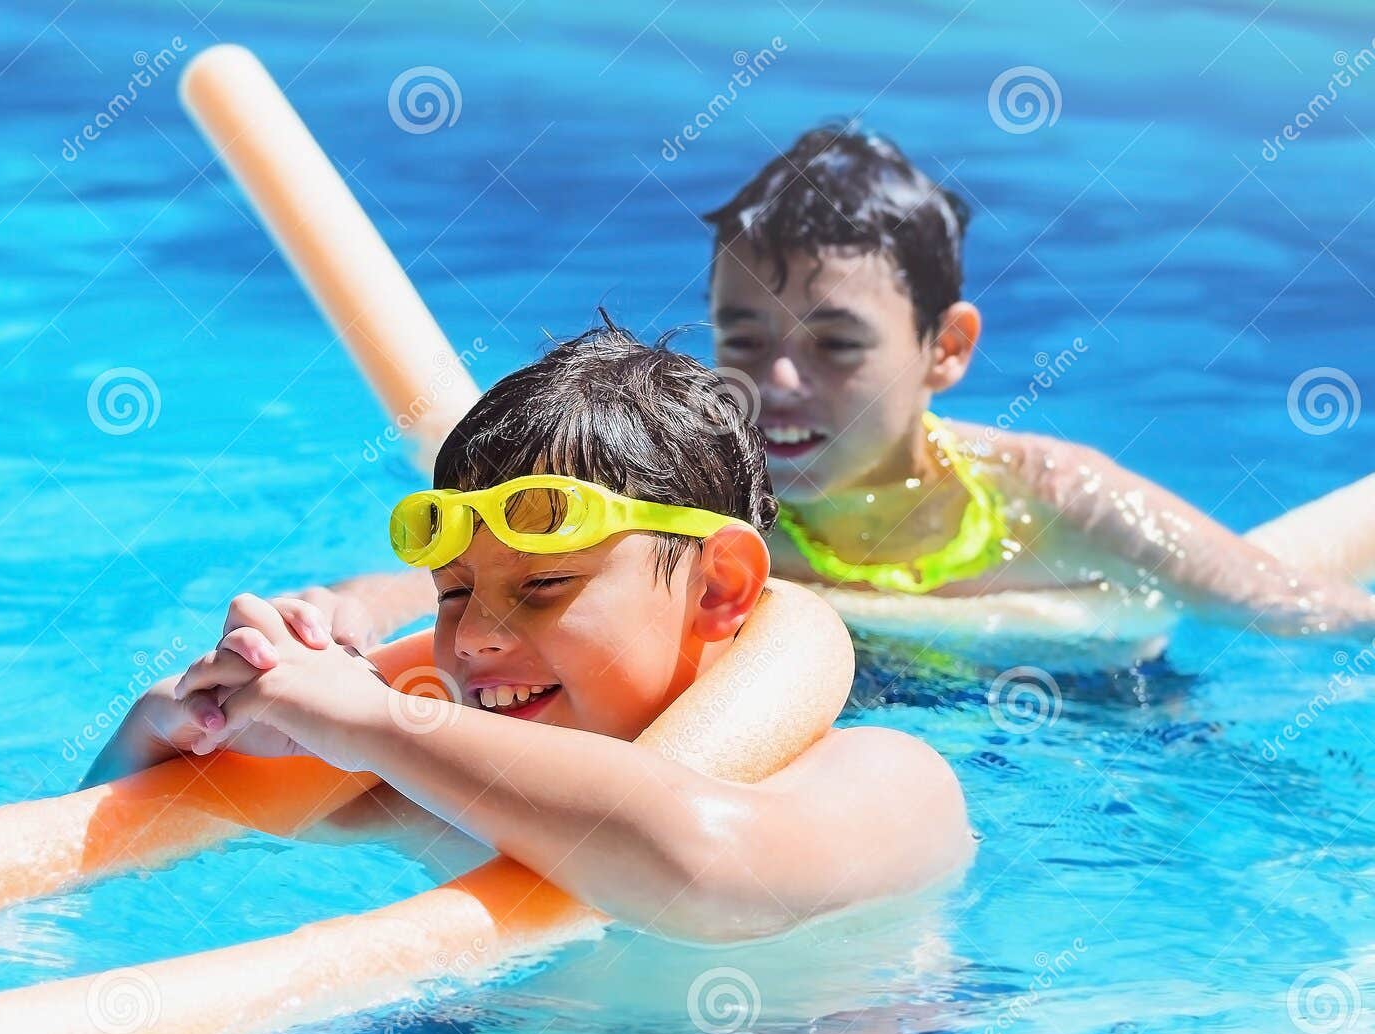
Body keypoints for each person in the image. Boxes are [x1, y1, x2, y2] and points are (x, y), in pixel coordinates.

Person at [308, 127, 1375, 653]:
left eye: (834, 344)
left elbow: (1290, 613)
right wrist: (349, 610)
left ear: (945, 349)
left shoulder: (1054, 499)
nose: (774, 384)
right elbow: (507, 574)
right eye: (742, 336)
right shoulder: (710, 490)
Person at [84, 326, 971, 941]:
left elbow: (704, 876)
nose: (473, 641)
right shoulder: (432, 793)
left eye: (543, 587)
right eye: (452, 594)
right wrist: (180, 721)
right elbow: (120, 861)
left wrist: (375, 722)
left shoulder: (884, 778)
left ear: (720, 588)